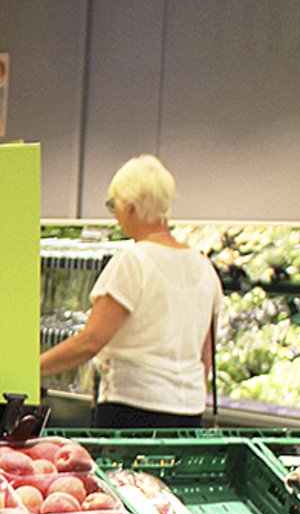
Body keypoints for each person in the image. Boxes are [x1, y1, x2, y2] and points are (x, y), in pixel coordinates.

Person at [39, 154, 221, 429]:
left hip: (132, 407)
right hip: (188, 412)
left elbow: (91, 341)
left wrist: (32, 369)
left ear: (130, 208)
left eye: (114, 206)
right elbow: (206, 355)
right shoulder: (203, 265)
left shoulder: (134, 261)